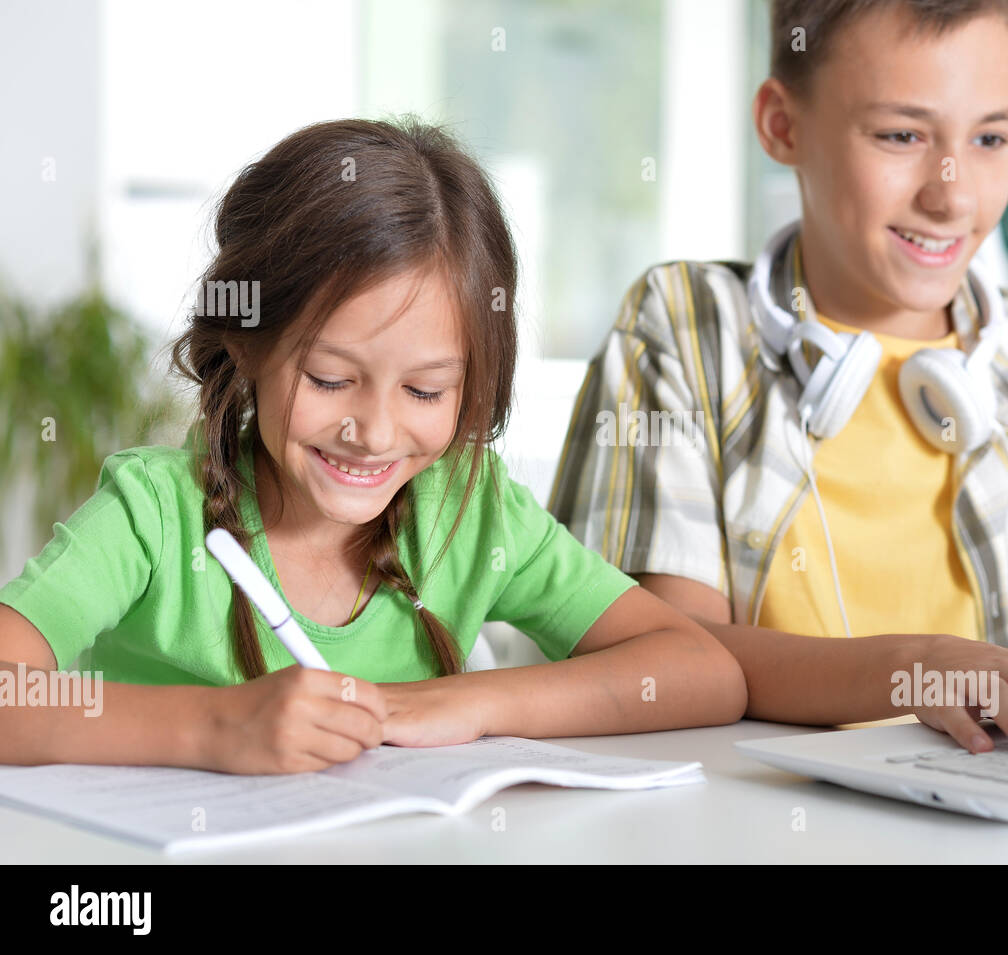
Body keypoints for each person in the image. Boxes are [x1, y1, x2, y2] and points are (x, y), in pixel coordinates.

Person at [549, 0, 1008, 759]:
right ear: (781, 125)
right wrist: (914, 671)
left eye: (991, 137)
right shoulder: (685, 328)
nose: (953, 194)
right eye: (901, 135)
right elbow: (657, 660)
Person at [0, 116, 747, 774]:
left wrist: (468, 702)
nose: (377, 433)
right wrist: (216, 726)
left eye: (425, 391)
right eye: (329, 378)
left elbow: (701, 670)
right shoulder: (154, 513)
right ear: (246, 343)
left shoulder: (471, 509)